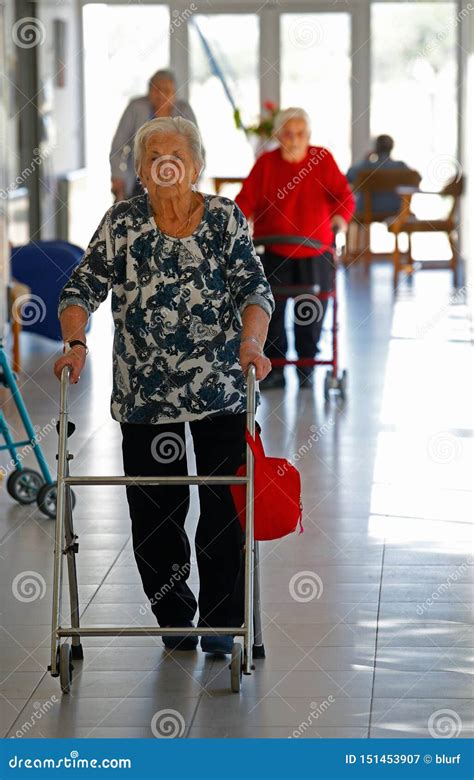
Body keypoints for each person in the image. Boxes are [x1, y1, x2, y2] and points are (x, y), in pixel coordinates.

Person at [55, 117, 274, 655]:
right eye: (153, 155)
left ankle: (224, 624)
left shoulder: (224, 219)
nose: (164, 163)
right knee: (155, 513)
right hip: (145, 398)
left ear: (196, 165)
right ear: (141, 170)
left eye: (175, 153)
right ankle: (175, 616)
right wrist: (76, 343)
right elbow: (81, 287)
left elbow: (255, 289)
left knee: (224, 505)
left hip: (220, 390)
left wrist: (252, 344)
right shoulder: (123, 223)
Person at [236, 108, 355, 389]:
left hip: (316, 251)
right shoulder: (266, 163)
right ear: (278, 135)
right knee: (271, 310)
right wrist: (237, 226)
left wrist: (340, 219)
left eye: (300, 133)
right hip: (273, 250)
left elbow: (344, 196)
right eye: (288, 133)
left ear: (308, 135)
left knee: (311, 309)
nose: (294, 139)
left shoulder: (321, 159)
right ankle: (274, 368)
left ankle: (307, 367)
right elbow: (244, 201)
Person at [110, 69, 200, 201]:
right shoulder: (136, 107)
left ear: (174, 94)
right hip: (139, 181)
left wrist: (194, 179)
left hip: (177, 180)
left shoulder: (184, 109)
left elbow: (197, 149)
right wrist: (117, 176)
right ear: (149, 93)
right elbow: (118, 146)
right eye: (156, 90)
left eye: (167, 91)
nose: (161, 95)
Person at [346, 134, 409, 216]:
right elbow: (416, 179)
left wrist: (365, 159)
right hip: (395, 208)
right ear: (392, 147)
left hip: (366, 209)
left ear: (375, 148)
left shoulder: (365, 166)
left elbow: (348, 177)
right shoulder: (401, 166)